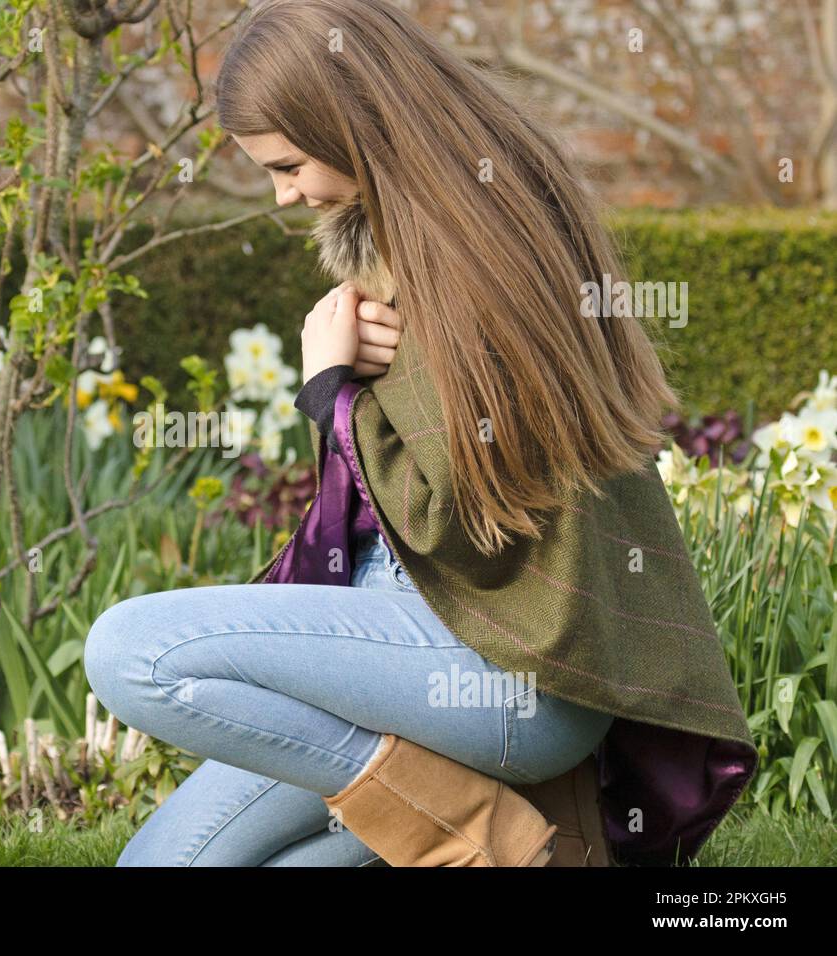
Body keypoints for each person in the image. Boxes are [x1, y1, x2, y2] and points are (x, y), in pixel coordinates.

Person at [82, 0, 756, 867]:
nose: (284, 194)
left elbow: (462, 525)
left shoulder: (466, 259)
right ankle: (474, 832)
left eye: (288, 164)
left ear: (342, 119)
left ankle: (484, 838)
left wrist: (328, 390)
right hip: (409, 637)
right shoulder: (445, 222)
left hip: (497, 664)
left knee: (133, 650)